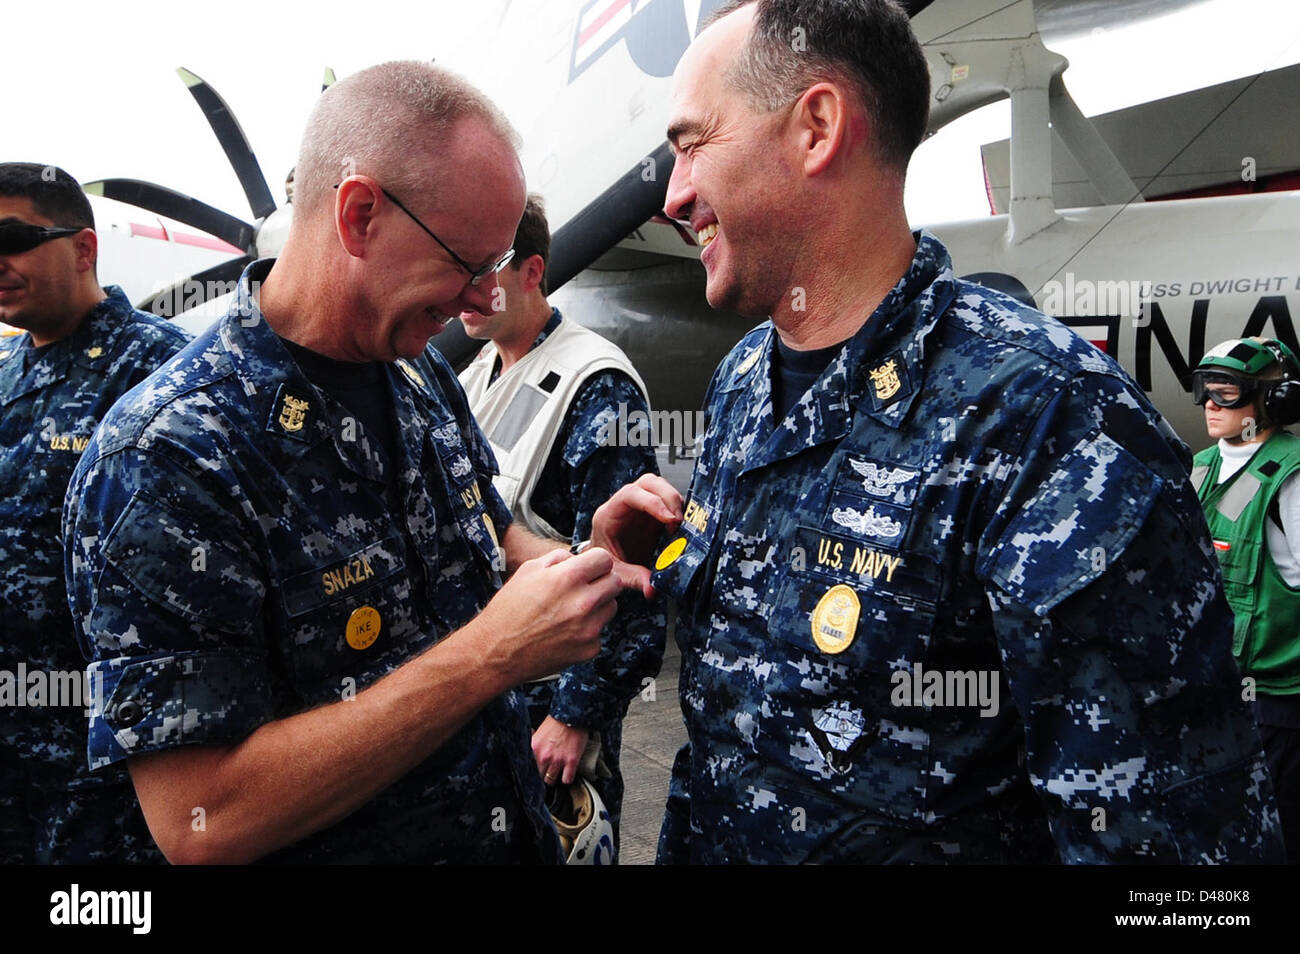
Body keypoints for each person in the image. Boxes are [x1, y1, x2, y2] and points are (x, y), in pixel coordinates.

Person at [590, 0, 1284, 863]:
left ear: (816, 128)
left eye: (694, 143)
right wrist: (658, 561)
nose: (676, 191)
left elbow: (1179, 861)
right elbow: (733, 717)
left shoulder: (1049, 421)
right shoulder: (742, 385)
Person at [61, 61, 643, 864]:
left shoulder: (415, 368)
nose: (482, 300)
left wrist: (584, 561)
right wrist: (488, 658)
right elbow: (203, 819)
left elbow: (493, 538)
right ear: (360, 213)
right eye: (466, 265)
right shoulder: (166, 458)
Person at [459, 194, 664, 862]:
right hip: (488, 698)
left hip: (552, 716)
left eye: (485, 269)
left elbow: (634, 579)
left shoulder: (596, 386)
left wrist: (575, 717)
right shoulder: (471, 378)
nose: (464, 287)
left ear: (531, 271)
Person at [0, 162, 189, 863]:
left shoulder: (163, 373)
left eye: (12, 237)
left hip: (106, 775)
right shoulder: (4, 373)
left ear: (84, 248)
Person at [1191, 336, 1300, 864]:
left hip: (1279, 701)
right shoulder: (1197, 467)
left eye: (1228, 392)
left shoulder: (1292, 475)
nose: (1211, 403)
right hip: (1213, 692)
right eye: (1205, 389)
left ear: (1273, 400)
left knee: (1274, 840)